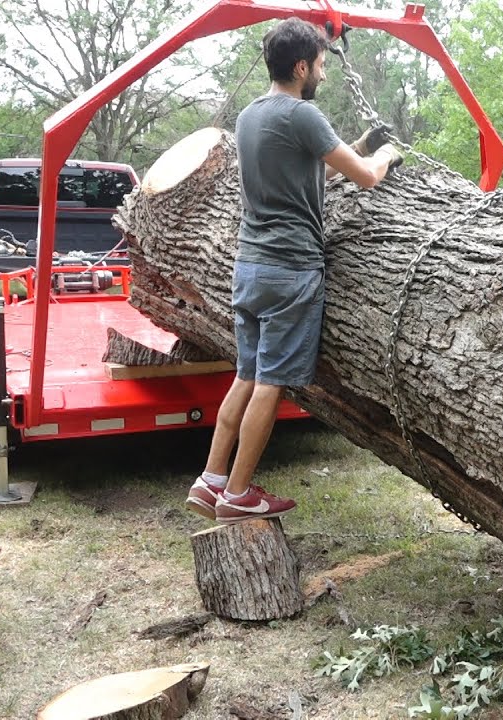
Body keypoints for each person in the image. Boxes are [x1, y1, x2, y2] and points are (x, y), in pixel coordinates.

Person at [185, 17, 403, 524]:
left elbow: (311, 172)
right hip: (291, 269)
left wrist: (362, 144)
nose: (324, 75)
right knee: (271, 382)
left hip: (250, 266)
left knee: (246, 373)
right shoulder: (303, 114)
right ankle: (239, 495)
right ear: (301, 66)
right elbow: (367, 180)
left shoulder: (249, 116)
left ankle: (212, 479)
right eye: (322, 65)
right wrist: (387, 154)